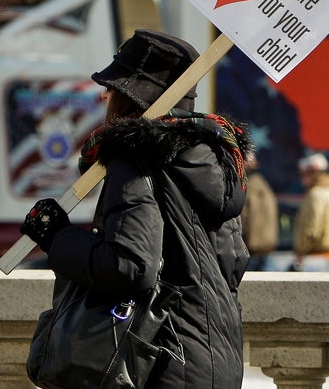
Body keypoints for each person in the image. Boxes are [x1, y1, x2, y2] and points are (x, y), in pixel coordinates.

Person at [20, 29, 252, 387]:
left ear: (131, 97)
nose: (105, 93)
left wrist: (56, 237)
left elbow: (129, 266)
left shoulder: (134, 158)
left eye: (113, 86)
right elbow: (233, 263)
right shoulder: (217, 162)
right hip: (216, 362)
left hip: (157, 363)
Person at [293, 152, 329, 272]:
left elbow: (311, 230)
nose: (302, 179)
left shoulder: (315, 194)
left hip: (321, 259)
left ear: (314, 174)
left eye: (304, 174)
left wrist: (300, 251)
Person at [241, 151, 279, 271]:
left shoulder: (245, 190)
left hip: (250, 251)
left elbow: (242, 222)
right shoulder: (265, 186)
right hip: (268, 249)